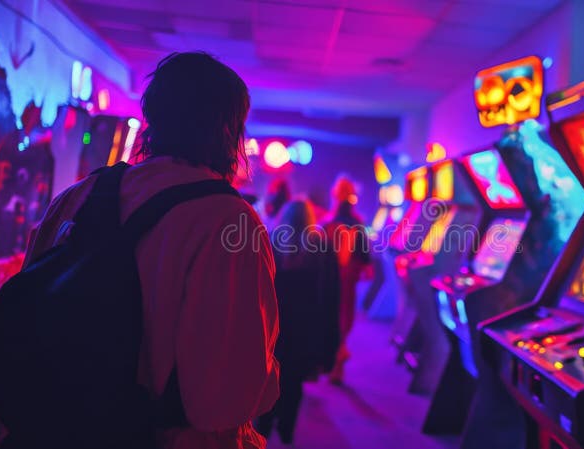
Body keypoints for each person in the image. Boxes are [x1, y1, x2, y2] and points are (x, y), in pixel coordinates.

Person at [23, 52, 279, 449]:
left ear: (153, 117)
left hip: (52, 421)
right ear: (229, 130)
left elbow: (28, 305)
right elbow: (225, 396)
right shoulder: (230, 220)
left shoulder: (77, 196)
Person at [257, 199, 340, 444]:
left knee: (270, 376)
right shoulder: (322, 248)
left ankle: (263, 424)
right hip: (306, 328)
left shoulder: (271, 243)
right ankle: (287, 428)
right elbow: (330, 296)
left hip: (273, 325)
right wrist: (330, 340)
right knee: (294, 381)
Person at [323, 176, 370, 384]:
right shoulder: (357, 222)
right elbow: (365, 255)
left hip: (329, 277)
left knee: (330, 315)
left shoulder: (328, 222)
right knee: (345, 317)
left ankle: (333, 359)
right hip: (349, 277)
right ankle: (339, 359)